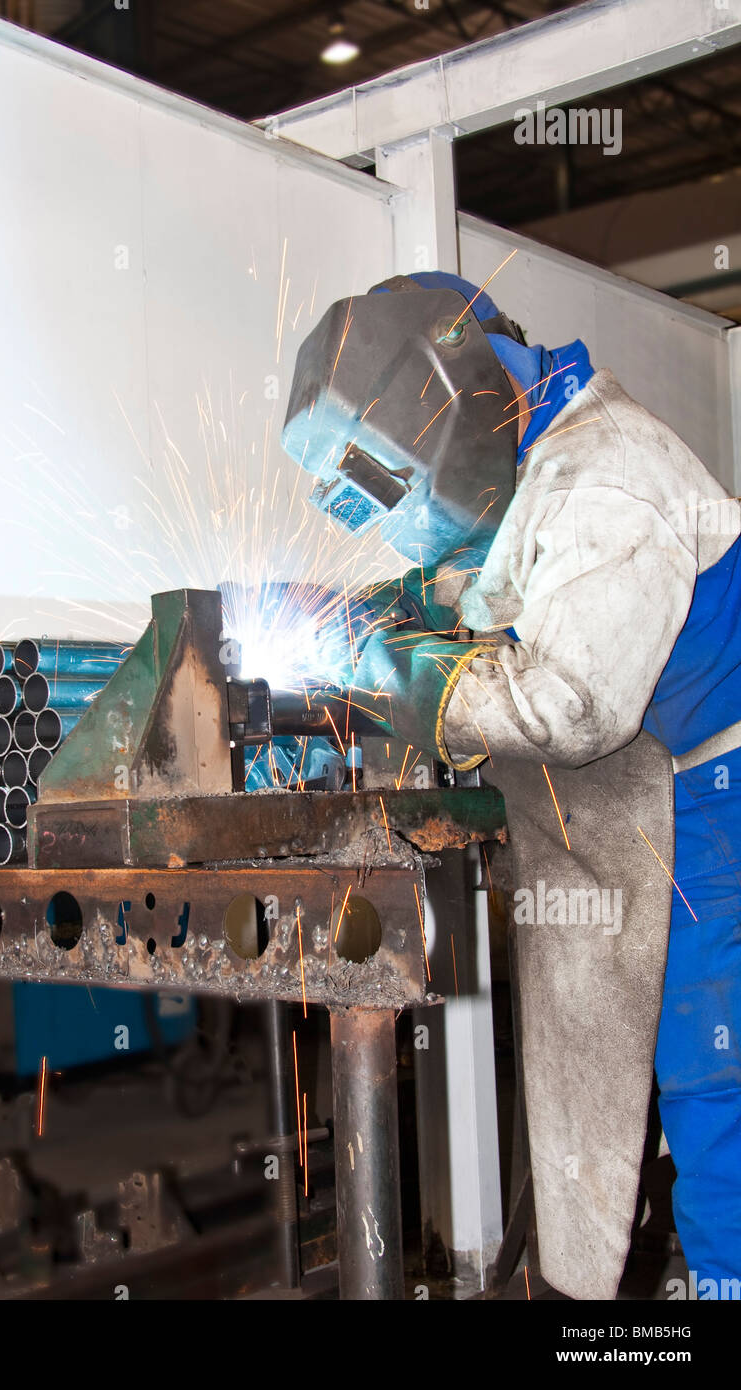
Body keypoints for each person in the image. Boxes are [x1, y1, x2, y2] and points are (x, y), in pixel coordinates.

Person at [281, 270, 741, 1300]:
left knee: (720, 1074)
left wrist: (408, 674)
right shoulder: (543, 465)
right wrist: (385, 608)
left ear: (447, 396)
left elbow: (568, 702)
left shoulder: (606, 476)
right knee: (667, 1066)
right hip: (672, 792)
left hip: (727, 796)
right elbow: (493, 579)